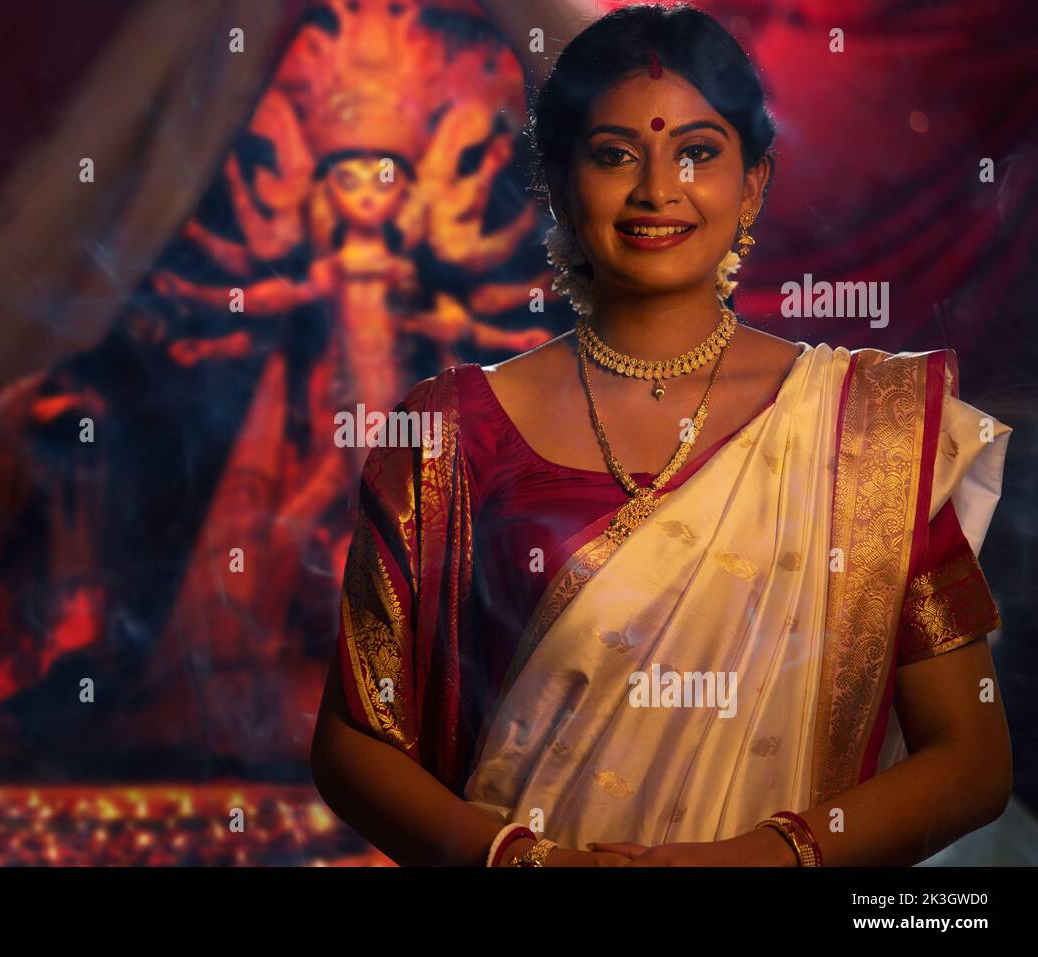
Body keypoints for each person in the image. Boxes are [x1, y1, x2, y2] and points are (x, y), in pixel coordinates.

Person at [309, 3, 1012, 867]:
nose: (656, 189)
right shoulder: (447, 432)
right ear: (562, 181)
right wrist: (529, 862)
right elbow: (354, 741)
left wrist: (750, 860)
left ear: (754, 181)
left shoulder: (866, 427)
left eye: (698, 152)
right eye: (614, 155)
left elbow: (971, 758)